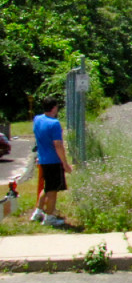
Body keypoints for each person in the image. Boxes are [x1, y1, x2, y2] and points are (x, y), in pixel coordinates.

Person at [31, 97, 73, 227]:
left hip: (42, 159)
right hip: (53, 161)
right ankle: (49, 218)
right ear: (54, 108)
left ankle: (38, 212)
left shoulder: (37, 119)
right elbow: (58, 145)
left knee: (47, 186)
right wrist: (65, 163)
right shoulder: (54, 124)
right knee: (53, 190)